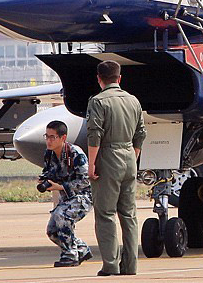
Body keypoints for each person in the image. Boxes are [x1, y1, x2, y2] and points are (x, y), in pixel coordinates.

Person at [87, 60, 146, 276]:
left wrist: (92, 163)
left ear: (99, 79)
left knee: (105, 214)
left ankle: (110, 264)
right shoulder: (133, 101)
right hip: (129, 155)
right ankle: (131, 266)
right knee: (129, 215)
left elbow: (95, 134)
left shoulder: (98, 101)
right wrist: (133, 155)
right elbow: (141, 133)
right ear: (119, 78)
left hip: (108, 156)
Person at [41, 120, 93, 267]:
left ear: (63, 138)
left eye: (53, 137)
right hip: (67, 198)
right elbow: (48, 172)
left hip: (84, 197)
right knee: (52, 231)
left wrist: (61, 186)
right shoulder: (49, 154)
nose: (49, 141)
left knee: (61, 216)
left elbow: (85, 181)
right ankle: (81, 249)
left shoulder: (75, 154)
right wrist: (45, 181)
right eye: (47, 136)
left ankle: (70, 254)